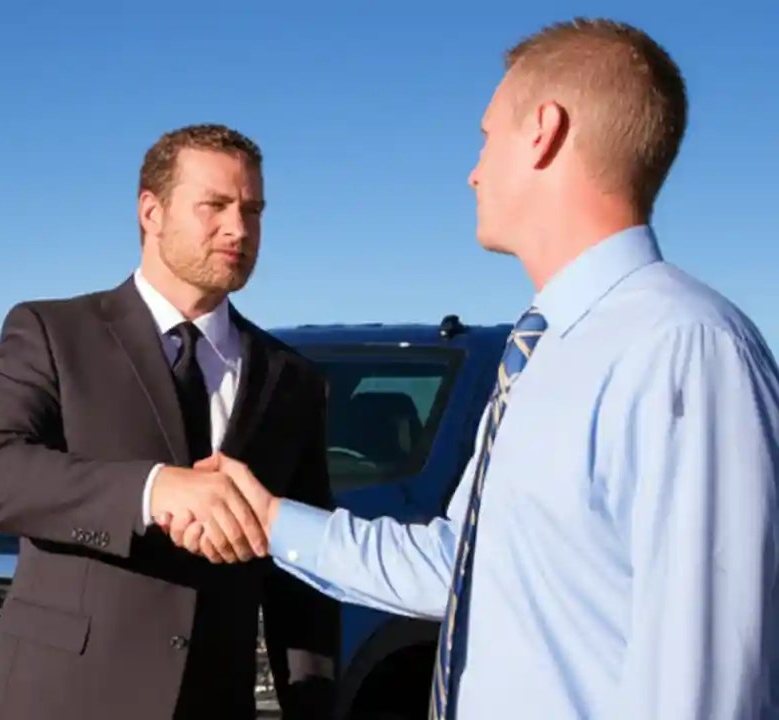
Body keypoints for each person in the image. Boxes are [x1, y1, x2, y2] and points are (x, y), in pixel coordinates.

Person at [161, 17, 779, 719]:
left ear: (543, 131)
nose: (474, 170)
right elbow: (459, 565)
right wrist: (270, 520)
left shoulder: (684, 348)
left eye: (487, 136)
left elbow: (704, 684)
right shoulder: (542, 352)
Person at [0, 123, 339, 720]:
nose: (239, 229)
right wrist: (153, 489)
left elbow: (300, 575)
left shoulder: (292, 379)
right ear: (151, 212)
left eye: (253, 210)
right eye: (214, 205)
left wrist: (312, 706)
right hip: (60, 697)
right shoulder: (53, 333)